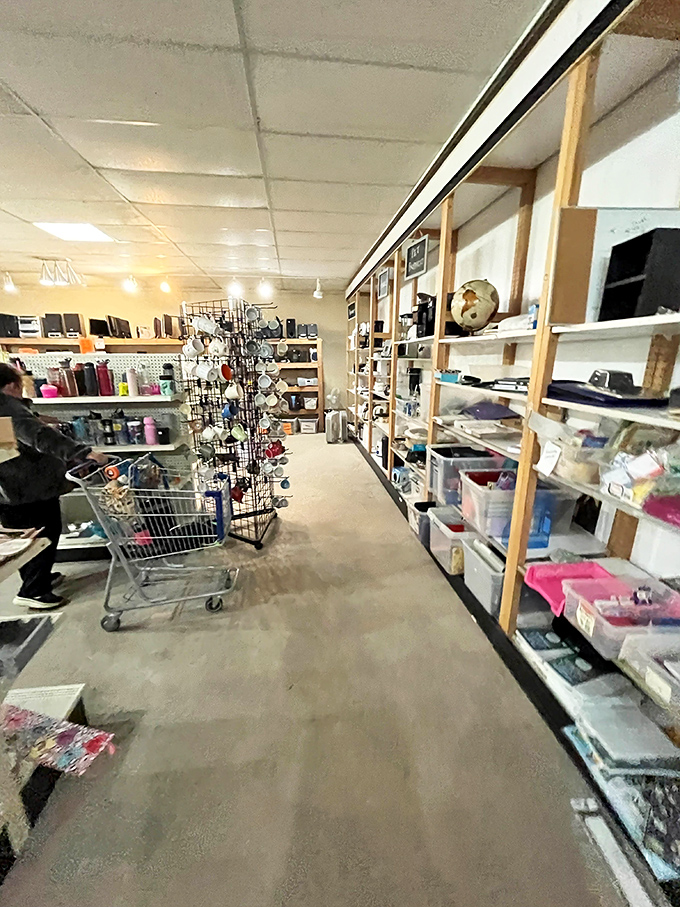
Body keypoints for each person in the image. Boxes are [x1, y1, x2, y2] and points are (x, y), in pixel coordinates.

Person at [0, 363, 106, 609]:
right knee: (42, 533)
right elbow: (38, 437)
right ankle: (33, 590)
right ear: (11, 385)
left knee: (24, 535)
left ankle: (37, 578)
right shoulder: (7, 406)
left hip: (9, 488)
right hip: (26, 485)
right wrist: (84, 452)